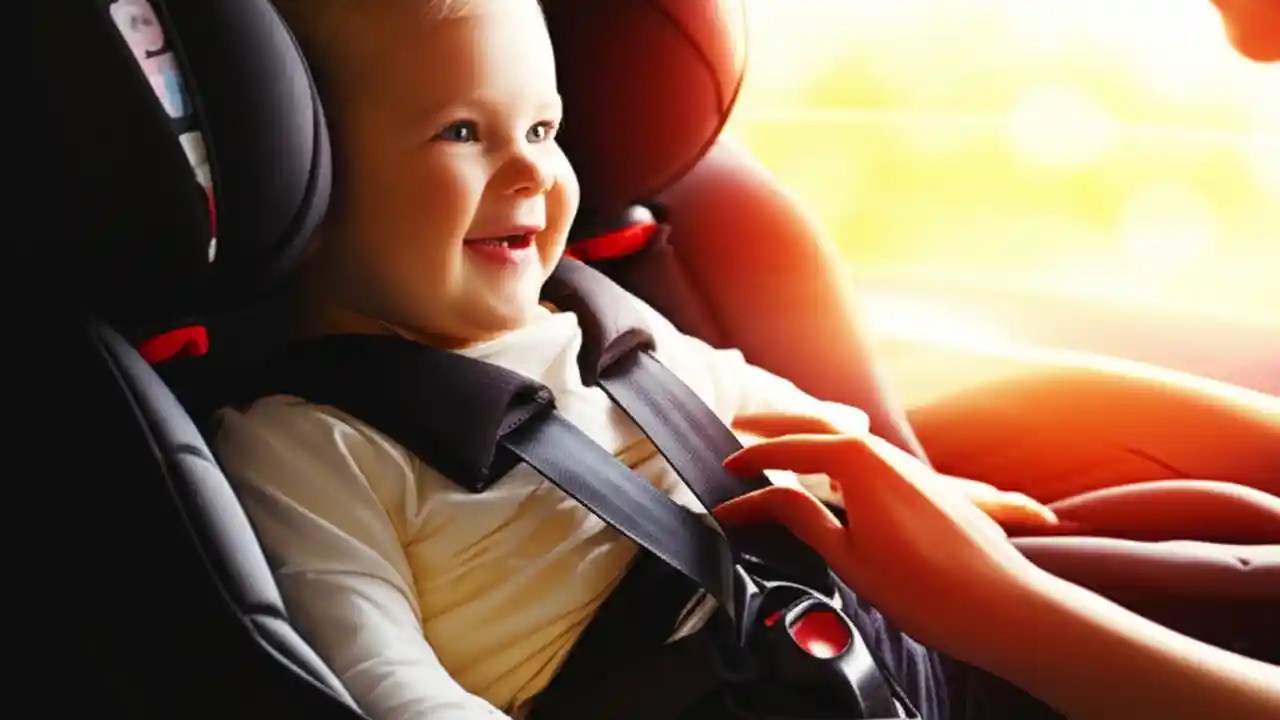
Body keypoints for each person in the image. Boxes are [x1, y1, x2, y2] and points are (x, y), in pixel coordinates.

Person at [212, 1, 1278, 718]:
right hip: (677, 693)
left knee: (1227, 538)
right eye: (461, 134)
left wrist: (928, 493)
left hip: (868, 650)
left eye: (542, 129)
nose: (530, 173)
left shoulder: (593, 321)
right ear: (305, 184)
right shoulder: (307, 442)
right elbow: (378, 671)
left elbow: (755, 409)